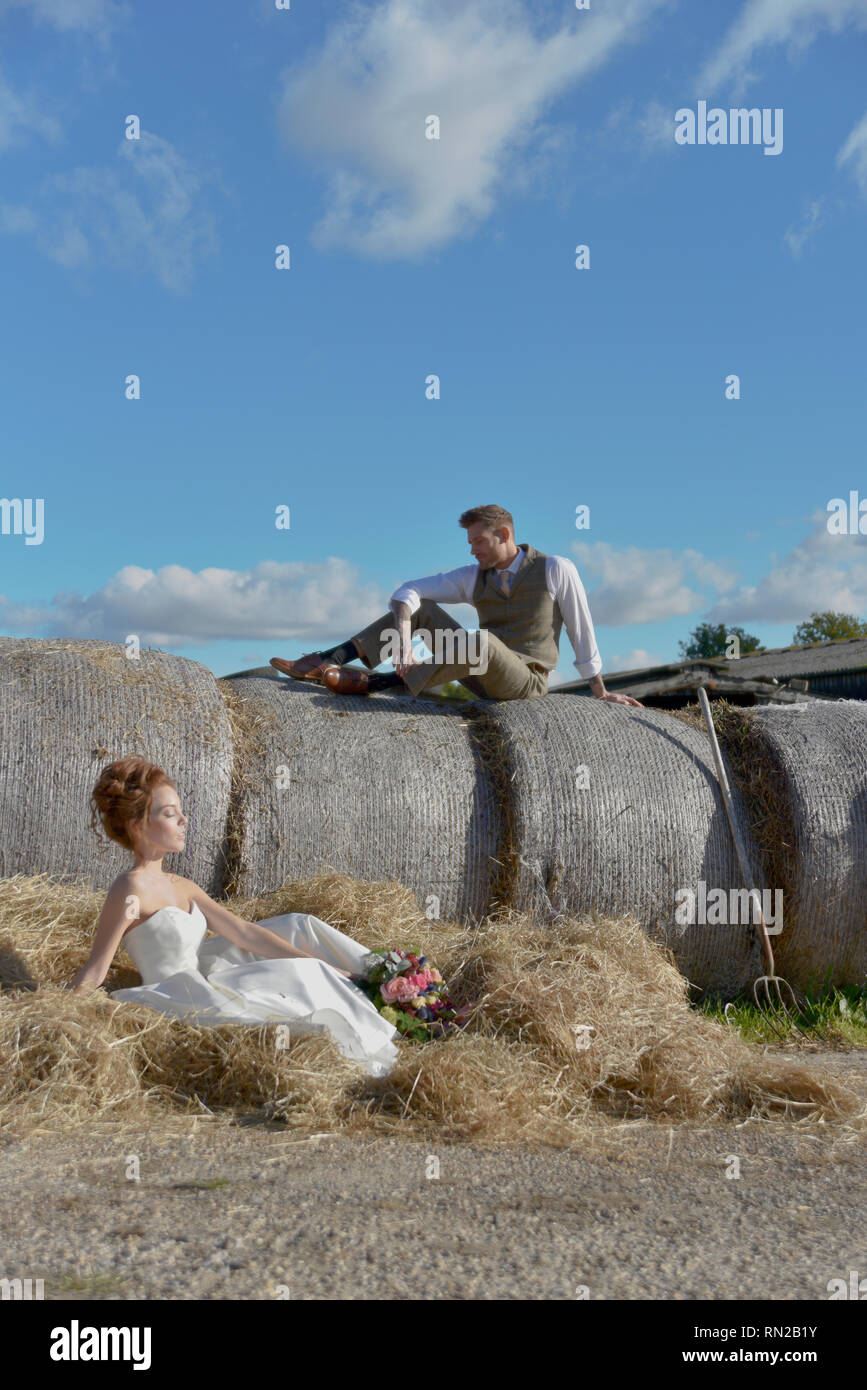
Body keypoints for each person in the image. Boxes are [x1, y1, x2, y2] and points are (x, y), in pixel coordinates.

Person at [69, 757, 401, 1077]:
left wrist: (323, 965)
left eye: (182, 812)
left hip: (206, 979)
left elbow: (244, 933)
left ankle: (388, 988)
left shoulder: (183, 886)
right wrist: (63, 1013)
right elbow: (98, 966)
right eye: (170, 815)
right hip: (177, 996)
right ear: (137, 825)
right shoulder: (130, 889)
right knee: (282, 1011)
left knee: (299, 935)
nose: (184, 821)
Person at [270, 503, 642, 705]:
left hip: (524, 684)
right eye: (470, 543)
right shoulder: (472, 576)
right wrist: (402, 638)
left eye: (479, 541)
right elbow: (408, 590)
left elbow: (581, 627)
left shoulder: (555, 569)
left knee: (483, 640)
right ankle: (328, 660)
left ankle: (374, 685)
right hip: (476, 675)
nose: (472, 549)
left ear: (505, 535)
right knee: (424, 610)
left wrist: (600, 691)